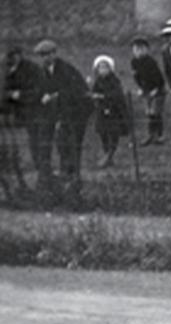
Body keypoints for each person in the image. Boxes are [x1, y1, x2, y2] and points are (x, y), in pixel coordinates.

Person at [35, 39, 93, 203]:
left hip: (78, 110)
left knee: (73, 142)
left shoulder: (66, 69)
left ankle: (74, 176)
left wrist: (54, 96)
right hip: (63, 112)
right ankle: (66, 173)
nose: (45, 58)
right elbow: (43, 89)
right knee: (61, 142)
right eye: (42, 55)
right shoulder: (45, 71)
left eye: (47, 54)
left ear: (54, 53)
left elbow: (75, 91)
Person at [4, 47, 44, 194]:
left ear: (20, 55)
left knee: (30, 147)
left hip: (30, 115)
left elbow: (39, 91)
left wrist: (20, 95)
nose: (11, 59)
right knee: (11, 150)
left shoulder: (32, 69)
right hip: (9, 117)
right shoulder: (5, 69)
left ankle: (34, 181)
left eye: (15, 55)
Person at [89, 55, 129, 169]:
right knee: (103, 133)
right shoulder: (98, 81)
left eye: (105, 67)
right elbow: (94, 92)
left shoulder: (114, 81)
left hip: (113, 111)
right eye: (100, 68)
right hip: (102, 111)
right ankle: (107, 154)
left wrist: (103, 96)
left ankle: (109, 154)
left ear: (110, 69)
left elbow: (116, 95)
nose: (103, 70)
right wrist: (95, 97)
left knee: (113, 133)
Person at [129, 37, 166, 146]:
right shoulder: (134, 62)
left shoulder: (151, 62)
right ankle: (150, 135)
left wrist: (157, 89)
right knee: (149, 113)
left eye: (141, 49)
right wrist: (141, 88)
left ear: (146, 50)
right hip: (146, 90)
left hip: (157, 89)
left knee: (156, 113)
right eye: (136, 49)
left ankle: (159, 136)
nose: (138, 52)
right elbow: (137, 77)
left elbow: (159, 78)